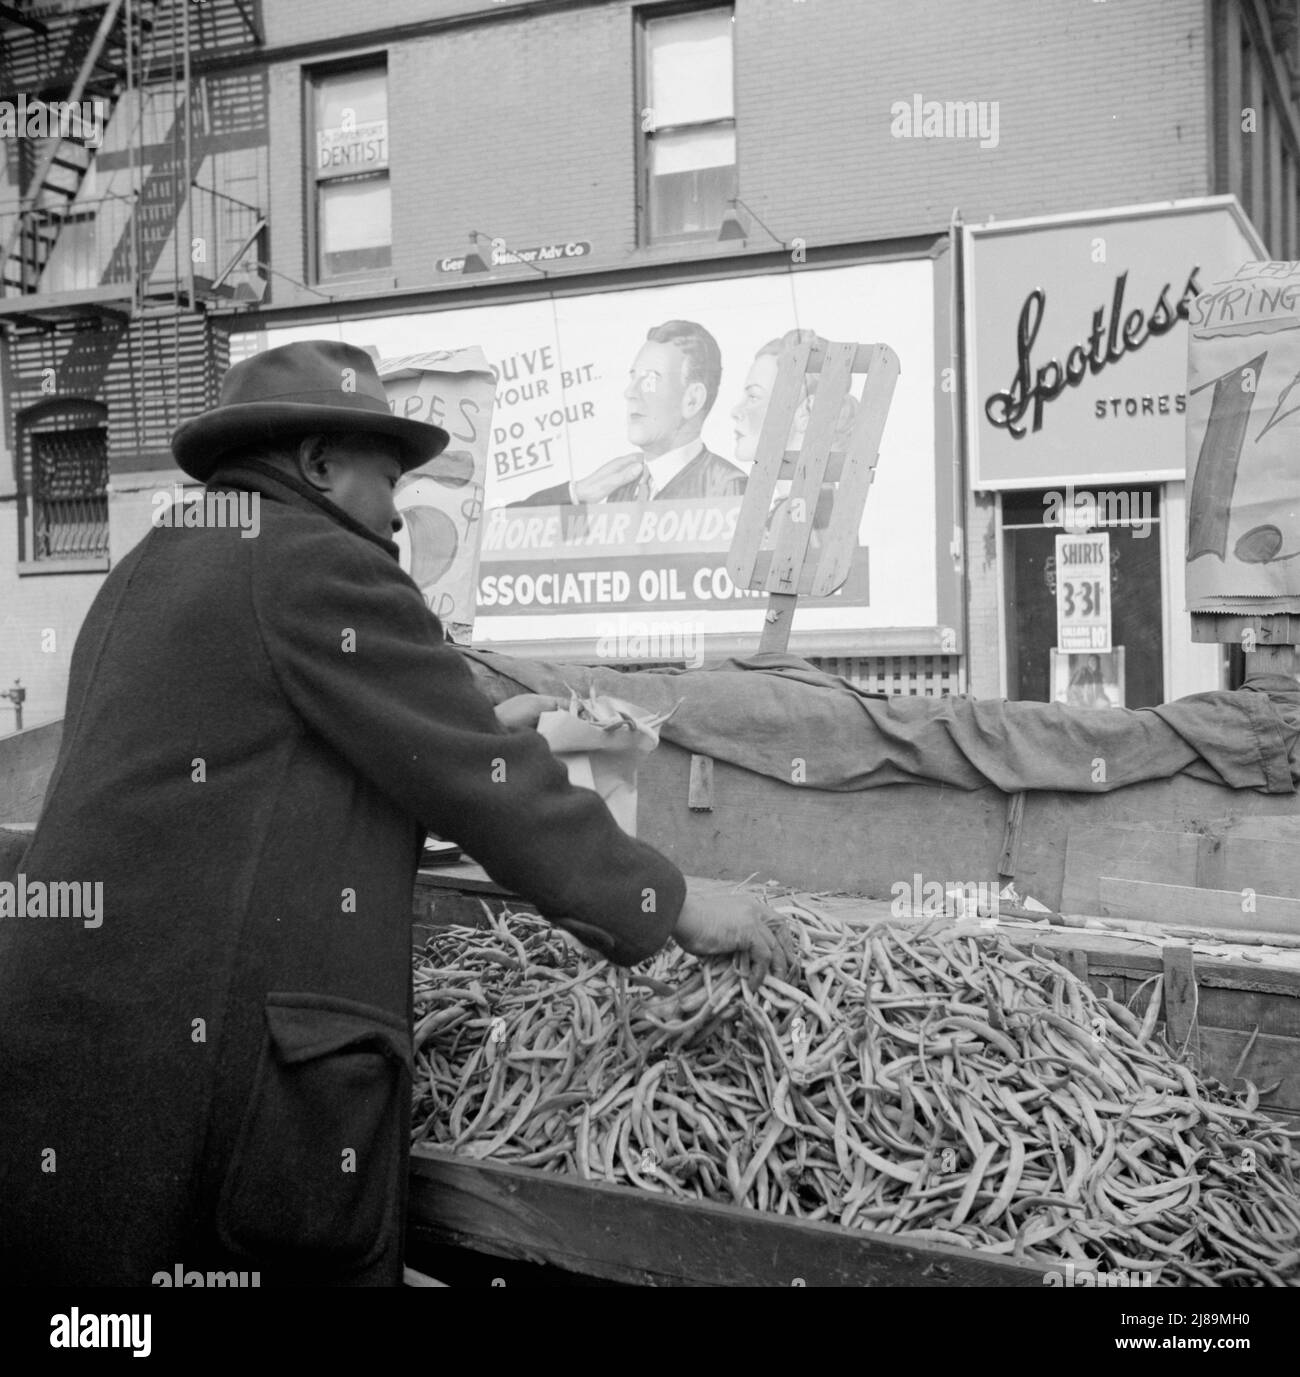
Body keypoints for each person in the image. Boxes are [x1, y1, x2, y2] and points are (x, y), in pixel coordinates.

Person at [0, 340, 793, 1288]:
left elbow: (260, 771)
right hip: (211, 1092)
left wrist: (458, 733)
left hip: (73, 1072)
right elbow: (487, 782)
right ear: (320, 464)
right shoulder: (316, 561)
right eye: (389, 481)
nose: (398, 516)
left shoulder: (147, 570)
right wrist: (674, 903)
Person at [510, 320, 746, 505]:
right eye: (633, 377)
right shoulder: (622, 488)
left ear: (692, 400)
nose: (630, 392)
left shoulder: (727, 487)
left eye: (650, 380)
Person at [730, 329, 859, 547]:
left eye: (753, 396)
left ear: (805, 414)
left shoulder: (797, 510)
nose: (736, 410)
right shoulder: (823, 502)